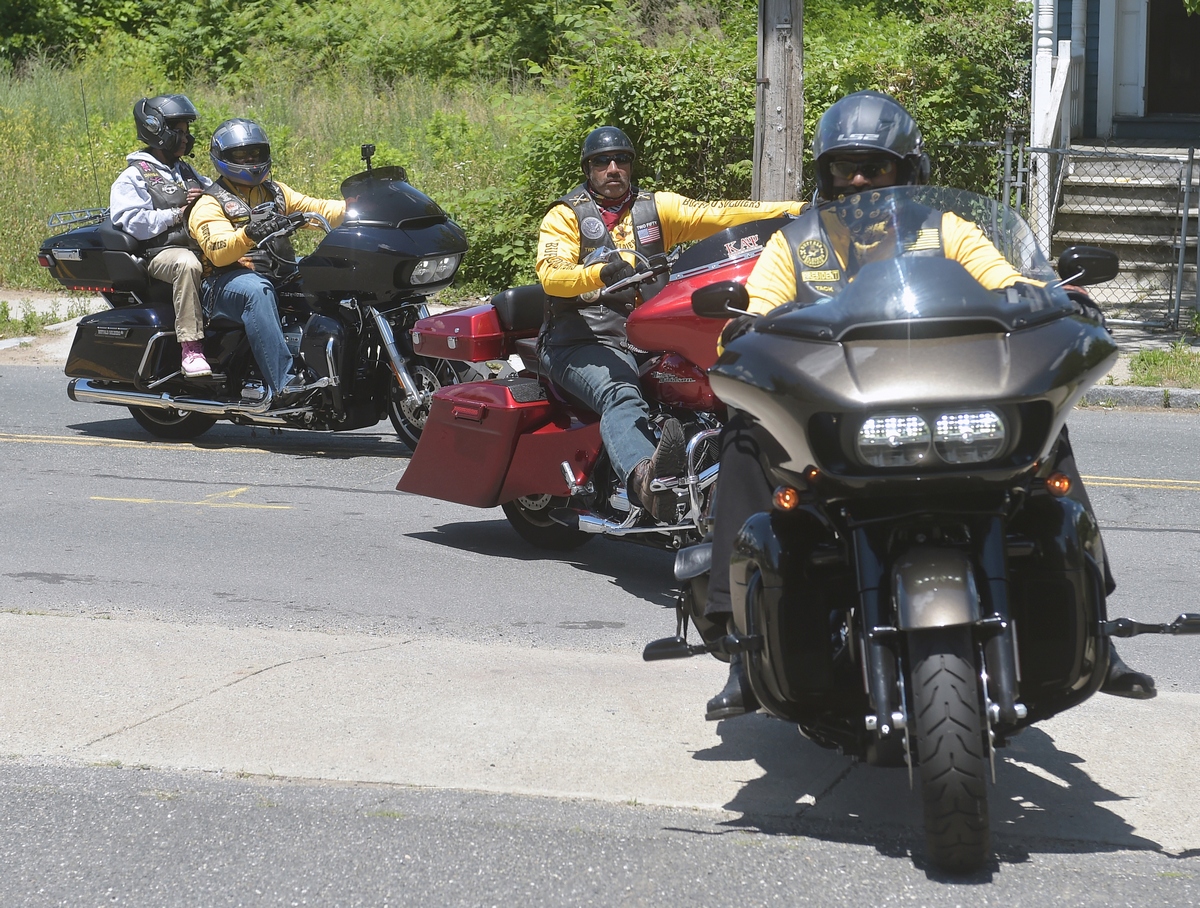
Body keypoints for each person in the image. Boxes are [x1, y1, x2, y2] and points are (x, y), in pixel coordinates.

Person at [702, 90, 1155, 721]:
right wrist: (744, 330)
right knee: (745, 433)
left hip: (946, 385)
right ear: (826, 176)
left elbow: (1007, 281)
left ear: (906, 173)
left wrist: (1054, 299)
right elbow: (756, 308)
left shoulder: (946, 228)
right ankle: (736, 647)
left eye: (875, 167)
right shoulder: (796, 244)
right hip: (845, 395)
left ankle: (1094, 631)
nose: (858, 180)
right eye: (844, 168)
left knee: (1049, 440)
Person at [536, 126, 805, 522]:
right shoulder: (566, 215)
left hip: (646, 333)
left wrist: (792, 211)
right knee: (621, 392)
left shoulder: (655, 208)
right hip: (580, 339)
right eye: (601, 162)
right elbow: (551, 272)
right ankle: (645, 481)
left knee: (718, 373)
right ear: (588, 169)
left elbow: (718, 214)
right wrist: (596, 273)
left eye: (621, 160)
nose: (613, 168)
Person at [187, 118, 346, 403]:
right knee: (256, 292)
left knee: (328, 270)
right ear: (222, 158)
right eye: (240, 155)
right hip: (222, 284)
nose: (250, 160)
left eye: (255, 153)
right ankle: (284, 383)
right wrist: (248, 233)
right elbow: (218, 250)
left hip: (275, 271)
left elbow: (320, 209)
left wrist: (363, 206)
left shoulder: (276, 192)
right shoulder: (210, 203)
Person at [110, 94, 212, 378]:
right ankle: (191, 349)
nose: (185, 138)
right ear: (155, 130)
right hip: (159, 253)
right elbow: (131, 221)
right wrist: (177, 213)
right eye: (178, 131)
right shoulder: (133, 176)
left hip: (195, 244)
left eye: (187, 132)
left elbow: (215, 192)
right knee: (187, 264)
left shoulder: (185, 170)